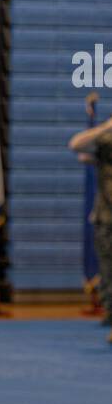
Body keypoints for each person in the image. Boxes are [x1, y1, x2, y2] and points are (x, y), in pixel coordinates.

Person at [68, 91, 112, 336]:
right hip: (105, 216)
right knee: (107, 268)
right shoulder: (105, 142)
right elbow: (76, 145)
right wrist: (105, 127)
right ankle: (110, 311)